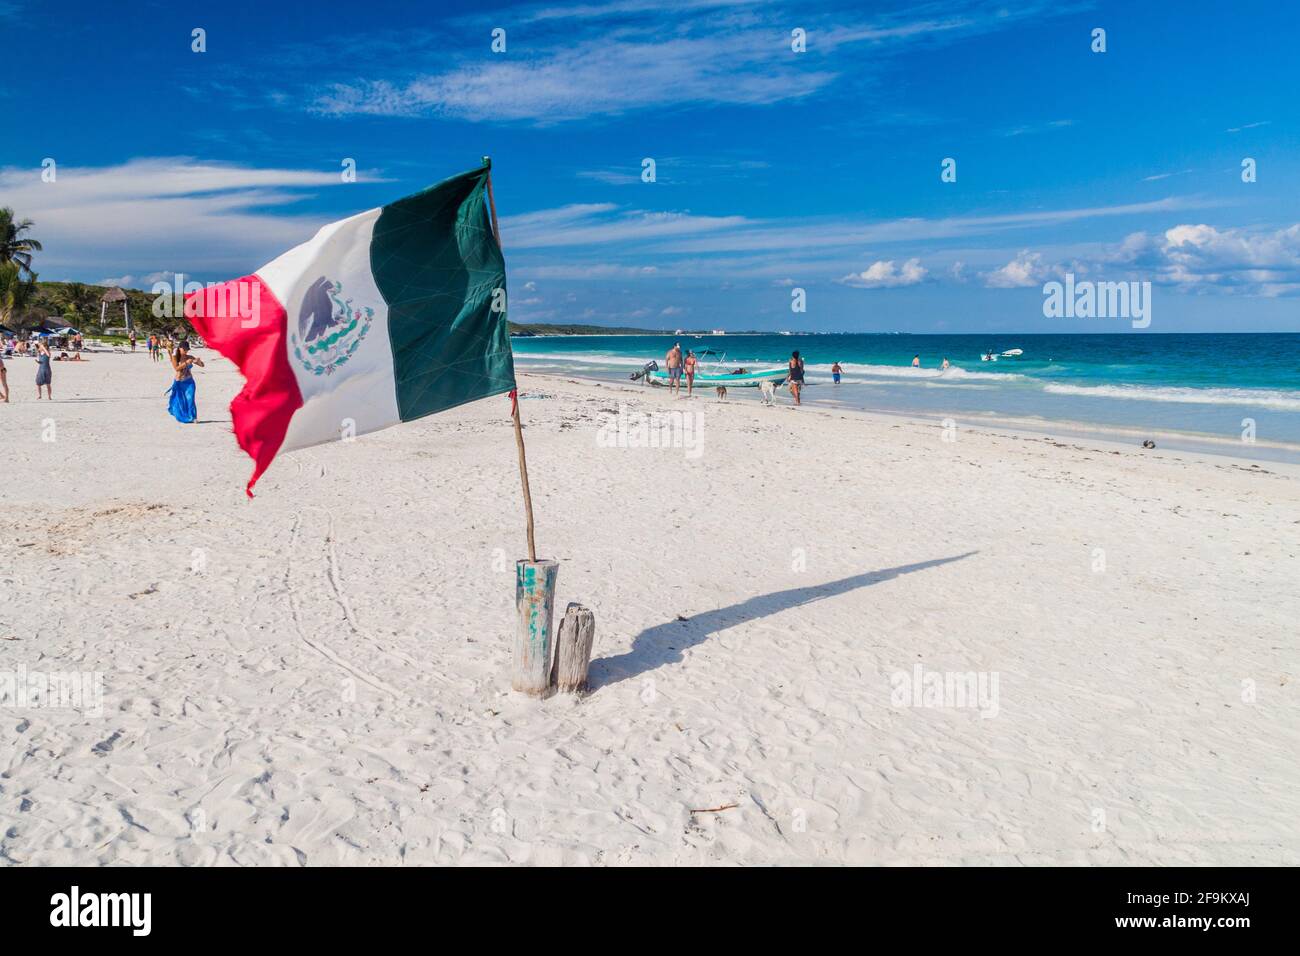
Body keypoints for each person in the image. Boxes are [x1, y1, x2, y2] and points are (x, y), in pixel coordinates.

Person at [167, 339, 204, 423]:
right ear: (180, 348)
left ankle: (193, 417)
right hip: (179, 382)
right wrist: (186, 363)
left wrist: (199, 361)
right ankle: (184, 416)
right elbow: (176, 368)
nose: (186, 351)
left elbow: (202, 365)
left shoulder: (189, 357)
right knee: (180, 401)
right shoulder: (175, 357)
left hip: (189, 381)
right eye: (184, 349)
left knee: (190, 399)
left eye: (187, 349)